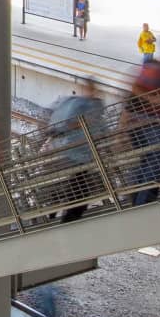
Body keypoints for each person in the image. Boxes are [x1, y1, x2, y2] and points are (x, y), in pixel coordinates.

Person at [122, 41, 160, 205]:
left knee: (150, 159)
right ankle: (143, 201)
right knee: (157, 159)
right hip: (146, 120)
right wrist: (153, 99)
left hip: (146, 120)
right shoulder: (158, 69)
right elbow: (136, 88)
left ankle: (137, 196)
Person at [47, 79, 109, 222]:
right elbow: (98, 125)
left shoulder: (79, 104)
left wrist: (57, 131)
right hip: (81, 152)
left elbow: (68, 123)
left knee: (76, 184)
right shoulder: (90, 105)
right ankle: (68, 215)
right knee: (78, 185)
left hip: (76, 151)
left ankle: (60, 209)